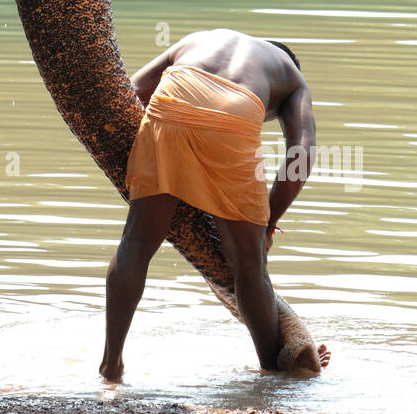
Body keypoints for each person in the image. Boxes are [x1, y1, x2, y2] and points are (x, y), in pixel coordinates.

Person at [99, 29, 330, 380]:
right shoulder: (292, 75)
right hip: (236, 113)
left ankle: (111, 366)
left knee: (136, 243)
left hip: (174, 95)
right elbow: (302, 153)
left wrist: (158, 154)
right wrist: (269, 219)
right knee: (250, 268)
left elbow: (132, 90)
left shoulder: (202, 38)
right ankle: (271, 372)